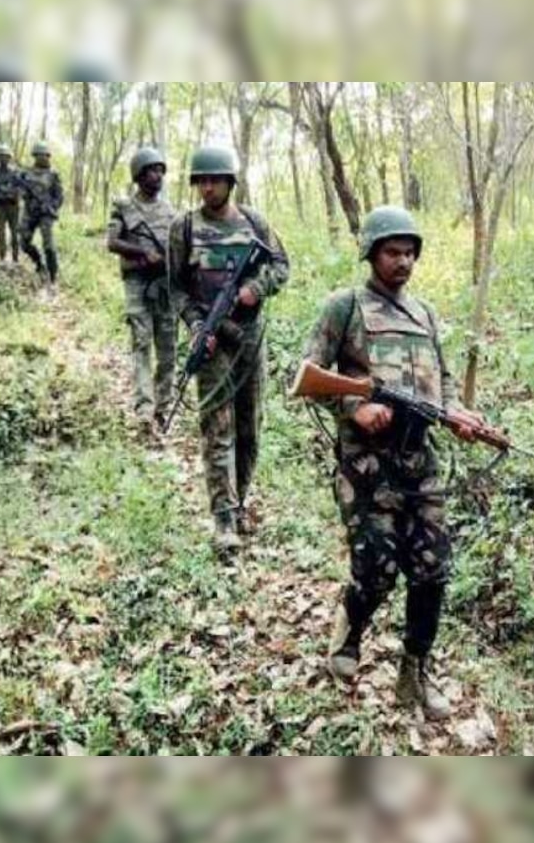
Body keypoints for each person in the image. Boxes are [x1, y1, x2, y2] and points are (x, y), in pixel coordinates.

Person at [301, 206, 486, 719]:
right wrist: (354, 407)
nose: (402, 262)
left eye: (409, 253)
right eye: (392, 252)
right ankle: (349, 632)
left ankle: (415, 674)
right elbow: (308, 375)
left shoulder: (424, 314)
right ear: (371, 254)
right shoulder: (345, 308)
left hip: (418, 461)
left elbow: (442, 383)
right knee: (377, 568)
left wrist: (458, 416)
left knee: (432, 571)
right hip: (366, 467)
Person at [168, 145, 289, 560]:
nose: (206, 188)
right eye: (200, 181)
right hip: (214, 342)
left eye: (213, 180)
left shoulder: (254, 222)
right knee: (216, 429)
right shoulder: (184, 228)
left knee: (249, 430)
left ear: (229, 182)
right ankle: (223, 519)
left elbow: (280, 267)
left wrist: (256, 288)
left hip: (251, 339)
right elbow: (176, 289)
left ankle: (239, 503)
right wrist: (198, 326)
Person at [106, 146, 176, 440]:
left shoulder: (172, 212)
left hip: (165, 287)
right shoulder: (124, 207)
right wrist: (142, 252)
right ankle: (144, 411)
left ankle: (163, 406)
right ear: (138, 175)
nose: (156, 175)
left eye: (160, 170)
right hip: (136, 284)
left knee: (168, 350)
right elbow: (112, 242)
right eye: (150, 170)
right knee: (141, 345)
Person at [18, 140, 64, 294]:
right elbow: (19, 191)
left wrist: (52, 207)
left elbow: (59, 196)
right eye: (39, 155)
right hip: (30, 212)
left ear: (48, 156)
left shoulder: (53, 175)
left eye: (45, 155)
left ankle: (53, 278)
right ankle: (39, 263)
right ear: (35, 156)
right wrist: (24, 194)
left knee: (49, 246)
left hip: (46, 215)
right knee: (23, 243)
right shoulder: (25, 173)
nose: (43, 158)